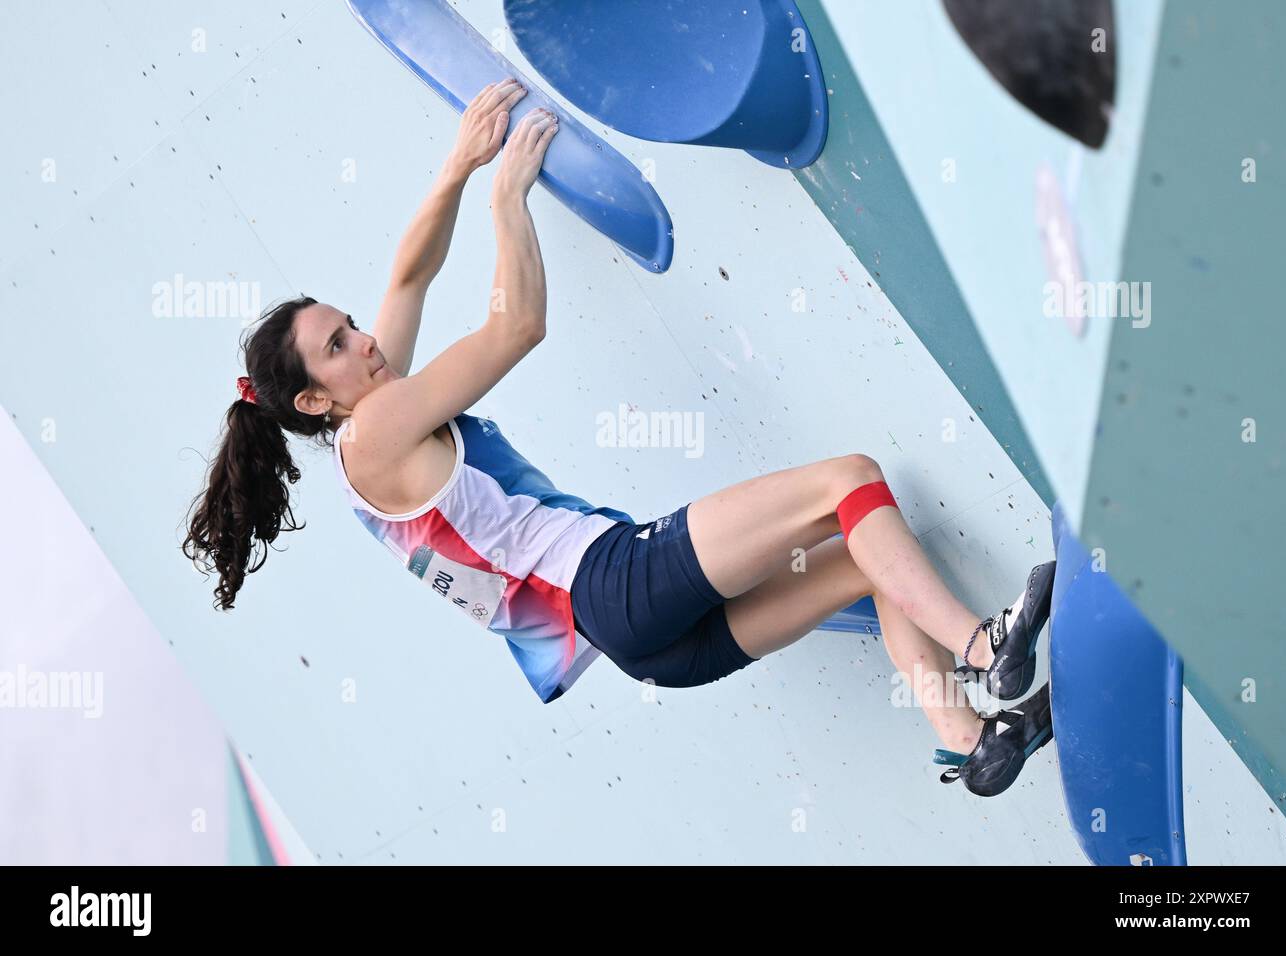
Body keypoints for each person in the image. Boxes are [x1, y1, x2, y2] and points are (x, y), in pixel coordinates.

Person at [182, 79, 1054, 796]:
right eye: (339, 346)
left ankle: (967, 738)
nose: (366, 340)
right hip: (614, 579)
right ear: (310, 403)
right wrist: (504, 198)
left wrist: (453, 166)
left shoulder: (364, 444)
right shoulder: (377, 425)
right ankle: (987, 647)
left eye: (350, 325)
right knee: (849, 482)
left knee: (871, 559)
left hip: (643, 649)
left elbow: (408, 277)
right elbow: (517, 326)